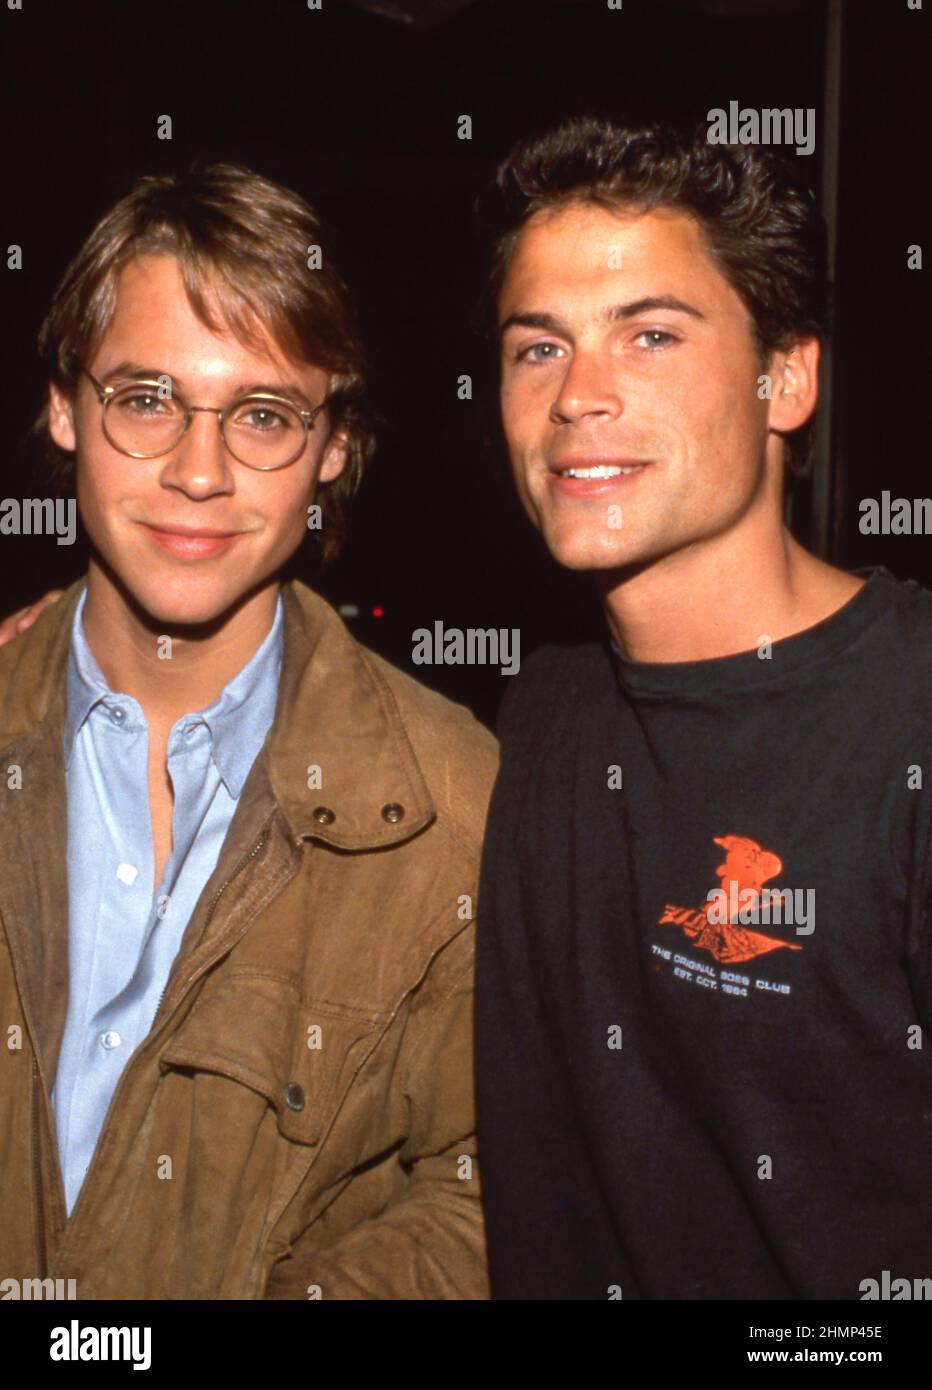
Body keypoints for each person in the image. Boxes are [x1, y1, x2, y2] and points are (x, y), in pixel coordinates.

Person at [0, 163, 497, 1298]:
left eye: (263, 416)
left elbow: (489, 1183)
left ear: (333, 450)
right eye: (145, 398)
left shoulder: (455, 806)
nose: (197, 470)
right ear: (65, 408)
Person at [473, 115, 932, 1299]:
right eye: (538, 348)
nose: (578, 394)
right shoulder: (536, 713)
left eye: (651, 336)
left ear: (788, 379)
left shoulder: (907, 720)